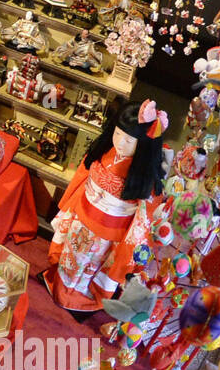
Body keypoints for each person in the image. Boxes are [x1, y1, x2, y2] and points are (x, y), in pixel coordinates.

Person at [45, 101, 167, 311]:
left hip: (108, 234)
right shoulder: (105, 152)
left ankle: (76, 300)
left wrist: (129, 247)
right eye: (117, 134)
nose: (120, 143)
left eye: (129, 140)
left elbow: (144, 217)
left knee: (89, 269)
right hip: (81, 217)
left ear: (144, 145)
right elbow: (84, 179)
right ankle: (61, 290)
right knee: (69, 258)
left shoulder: (143, 175)